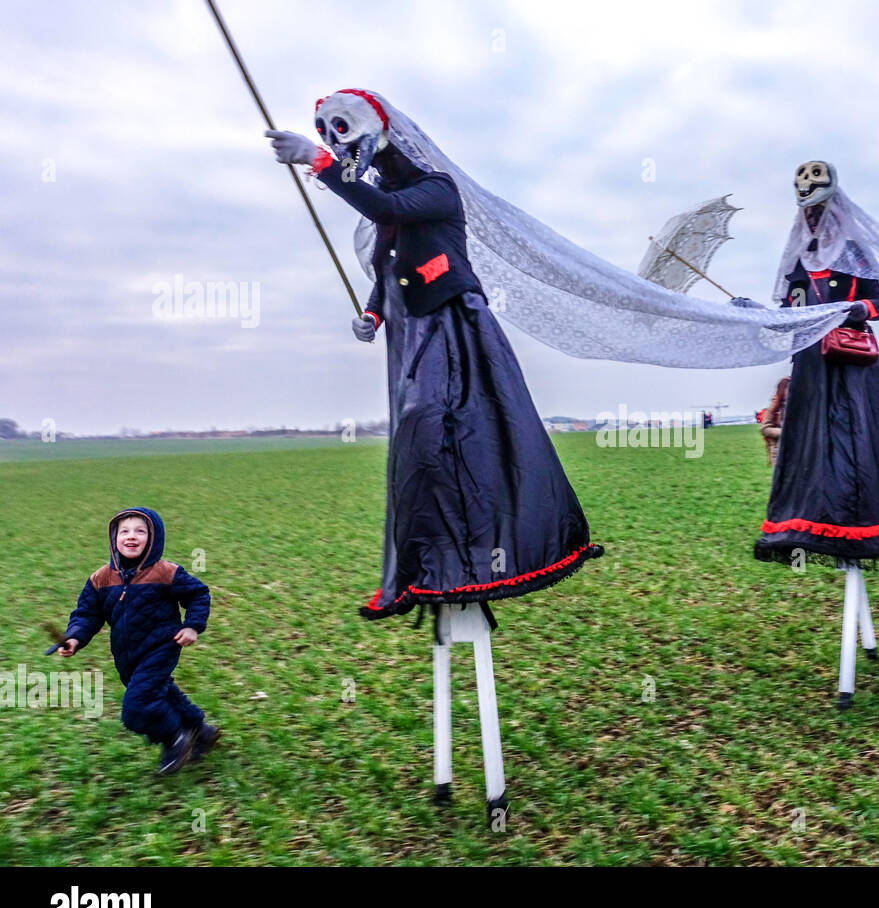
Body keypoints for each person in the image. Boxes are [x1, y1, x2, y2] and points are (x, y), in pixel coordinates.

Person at [266, 90, 601, 620]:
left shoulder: (435, 190)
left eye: (341, 129)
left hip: (453, 326)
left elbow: (387, 206)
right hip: (409, 335)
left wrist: (317, 161)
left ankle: (481, 557)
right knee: (420, 445)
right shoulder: (387, 212)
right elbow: (385, 270)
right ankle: (434, 569)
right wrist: (373, 315)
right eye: (325, 133)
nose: (334, 141)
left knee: (438, 426)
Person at [753, 161, 879, 567]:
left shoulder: (853, 253)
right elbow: (788, 314)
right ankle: (816, 521)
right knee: (815, 446)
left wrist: (855, 308)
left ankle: (867, 523)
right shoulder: (796, 263)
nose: (813, 217)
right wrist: (755, 313)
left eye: (820, 208)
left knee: (859, 442)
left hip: (855, 365)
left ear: (835, 208)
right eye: (808, 210)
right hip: (812, 367)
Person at [57, 508, 218, 775]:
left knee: (137, 707)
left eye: (140, 531)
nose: (131, 537)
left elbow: (198, 594)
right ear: (114, 538)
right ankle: (201, 731)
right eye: (125, 531)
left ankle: (175, 737)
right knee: (160, 691)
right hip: (126, 655)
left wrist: (192, 626)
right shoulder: (101, 578)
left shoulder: (166, 572)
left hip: (161, 647)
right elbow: (87, 614)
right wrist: (74, 638)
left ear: (153, 538)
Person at [760, 376, 790, 466]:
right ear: (782, 389)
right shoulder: (775, 407)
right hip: (779, 454)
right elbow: (765, 429)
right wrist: (784, 432)